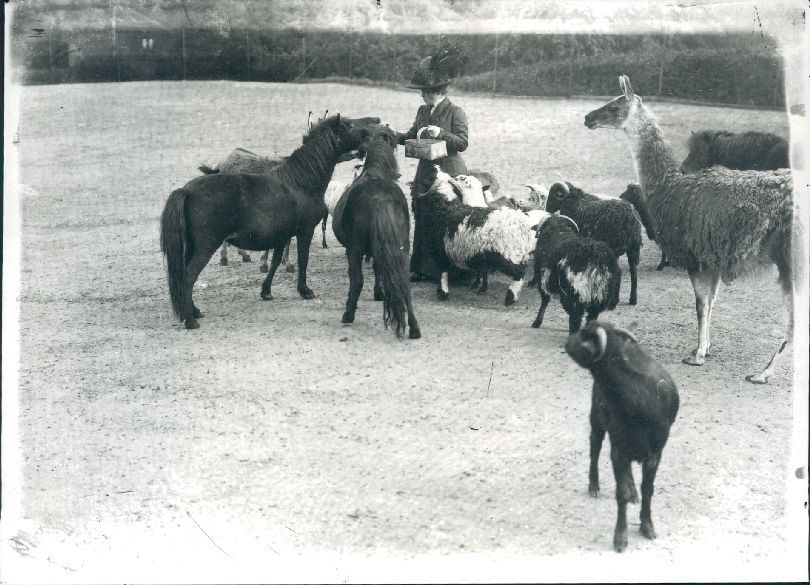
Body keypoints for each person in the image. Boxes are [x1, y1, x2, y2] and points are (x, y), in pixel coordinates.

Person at [397, 47, 470, 282]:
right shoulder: (423, 110)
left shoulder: (456, 112)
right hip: (426, 172)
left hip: (449, 172)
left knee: (447, 221)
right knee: (423, 217)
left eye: (425, 91)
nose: (421, 95)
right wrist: (391, 134)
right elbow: (411, 135)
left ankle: (452, 272)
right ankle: (423, 269)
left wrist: (442, 133)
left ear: (437, 91)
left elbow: (462, 143)